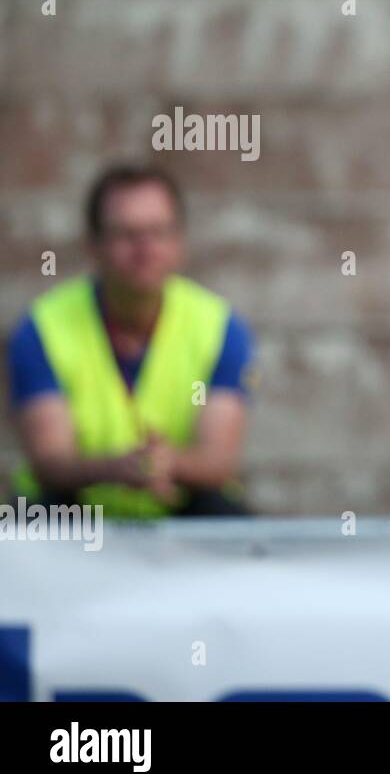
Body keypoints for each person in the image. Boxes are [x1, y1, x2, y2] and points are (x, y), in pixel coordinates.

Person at [6, 164, 256, 518]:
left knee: (226, 515)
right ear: (93, 245)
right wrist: (119, 469)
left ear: (180, 241)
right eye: (127, 234)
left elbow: (219, 460)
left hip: (178, 506)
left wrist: (165, 465)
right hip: (76, 512)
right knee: (34, 512)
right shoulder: (42, 328)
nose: (145, 248)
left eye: (158, 231)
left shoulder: (220, 326)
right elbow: (50, 462)